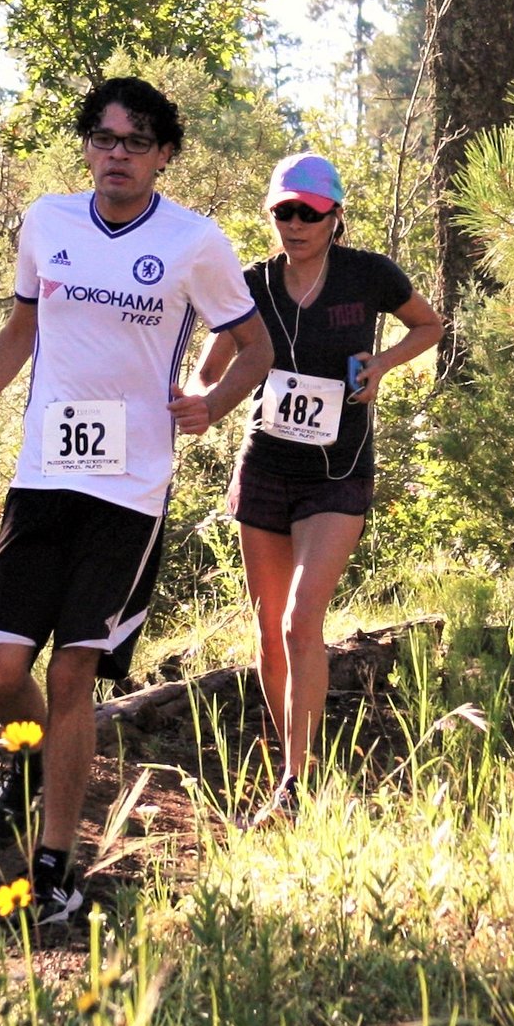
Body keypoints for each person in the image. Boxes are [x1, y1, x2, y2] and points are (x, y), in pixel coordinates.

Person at [0, 77, 274, 930]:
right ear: (87, 146)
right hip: (43, 478)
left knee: (73, 670)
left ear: (164, 155)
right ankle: (31, 768)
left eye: (136, 141)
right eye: (104, 138)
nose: (117, 154)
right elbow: (21, 332)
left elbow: (252, 344)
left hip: (130, 488)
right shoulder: (48, 223)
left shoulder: (196, 242)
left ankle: (56, 868)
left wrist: (210, 406)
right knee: (3, 672)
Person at [196, 154, 444, 825]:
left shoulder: (370, 275)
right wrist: (193, 402)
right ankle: (287, 773)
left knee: (301, 620)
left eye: (310, 211)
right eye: (284, 211)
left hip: (339, 471)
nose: (296, 223)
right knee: (268, 634)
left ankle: (297, 786)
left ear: (335, 216)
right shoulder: (251, 285)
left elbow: (431, 324)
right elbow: (212, 365)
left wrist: (383, 364)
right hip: (266, 471)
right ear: (270, 215)